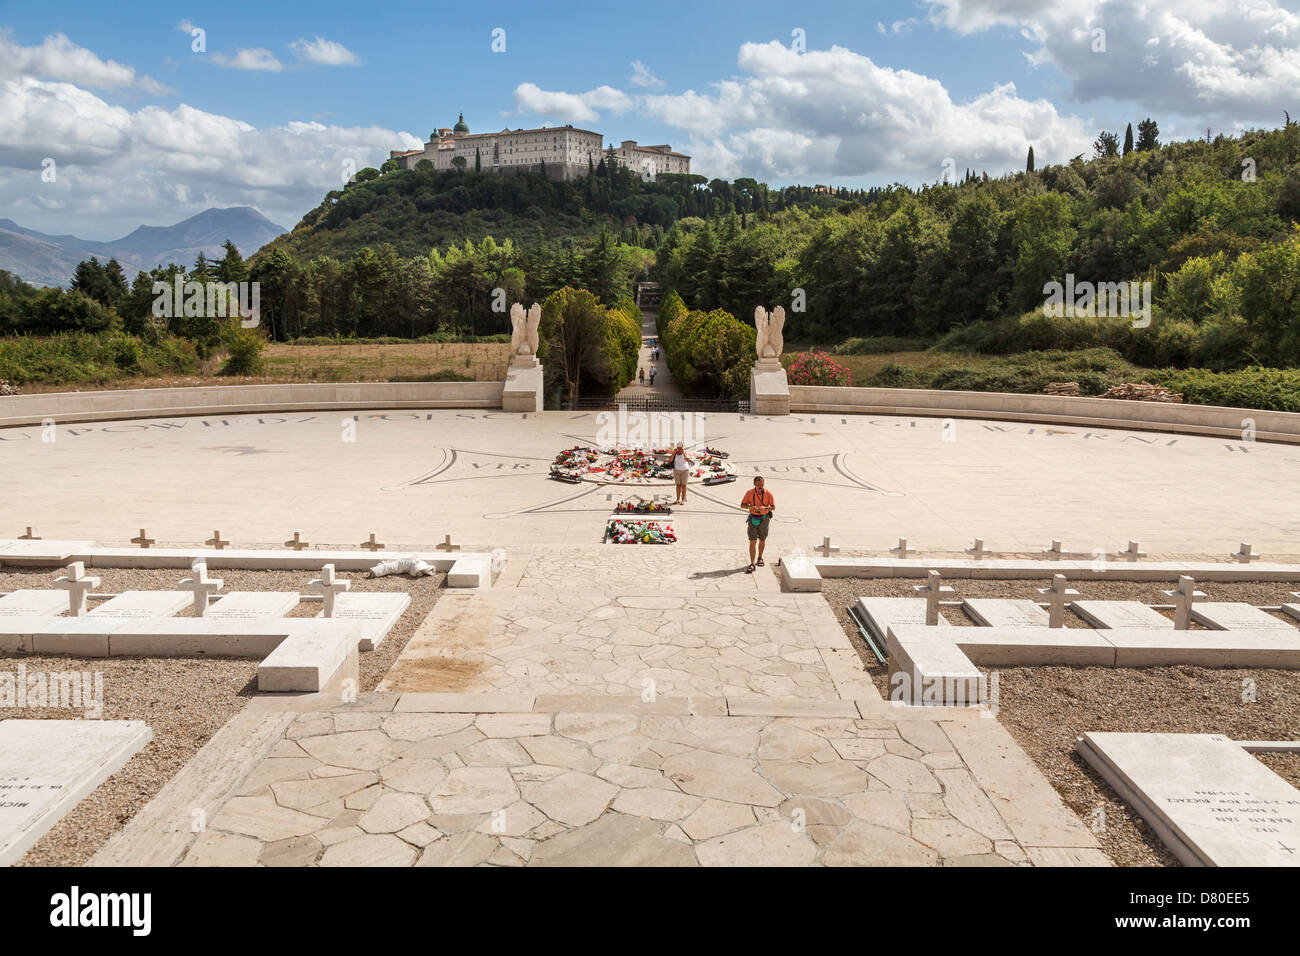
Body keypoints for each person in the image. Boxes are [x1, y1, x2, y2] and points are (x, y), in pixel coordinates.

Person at [741, 476, 774, 572]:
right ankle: (752, 563)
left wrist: (765, 508)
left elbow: (773, 507)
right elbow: (742, 505)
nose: (760, 487)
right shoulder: (749, 493)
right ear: (754, 484)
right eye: (758, 485)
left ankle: (760, 558)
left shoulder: (768, 494)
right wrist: (751, 507)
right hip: (753, 519)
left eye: (762, 485)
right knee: (752, 541)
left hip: (764, 519)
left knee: (762, 540)